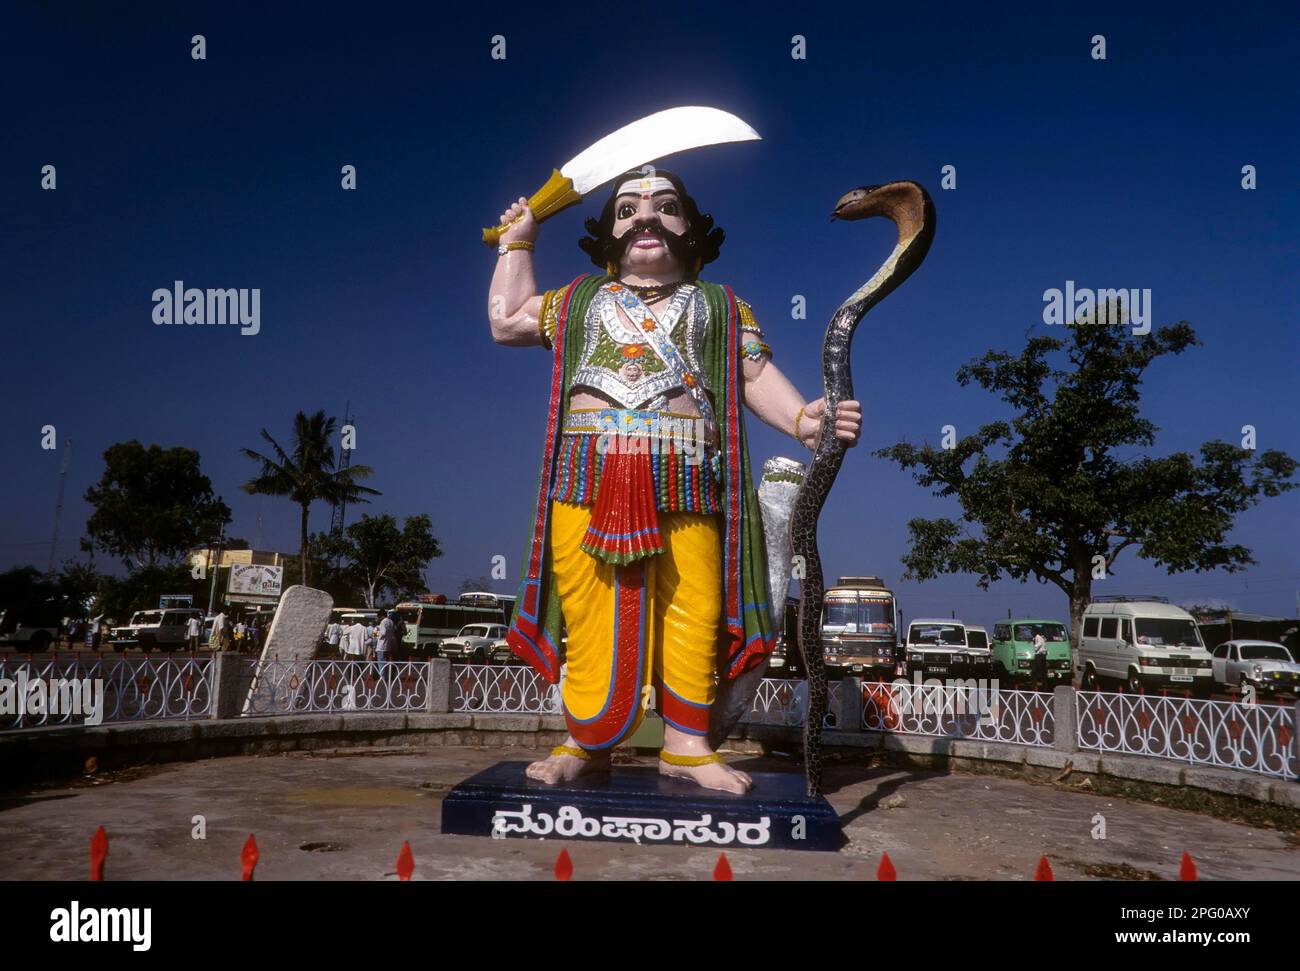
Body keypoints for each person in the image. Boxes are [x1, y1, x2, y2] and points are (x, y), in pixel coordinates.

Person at [489, 169, 861, 793]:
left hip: (688, 474)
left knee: (694, 604)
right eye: (628, 208)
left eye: (665, 207)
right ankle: (587, 739)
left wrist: (802, 419)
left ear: (691, 227)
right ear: (608, 232)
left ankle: (686, 745)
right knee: (588, 605)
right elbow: (506, 321)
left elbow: (751, 376)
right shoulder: (577, 300)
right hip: (588, 474)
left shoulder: (720, 305)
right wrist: (517, 243)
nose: (645, 218)